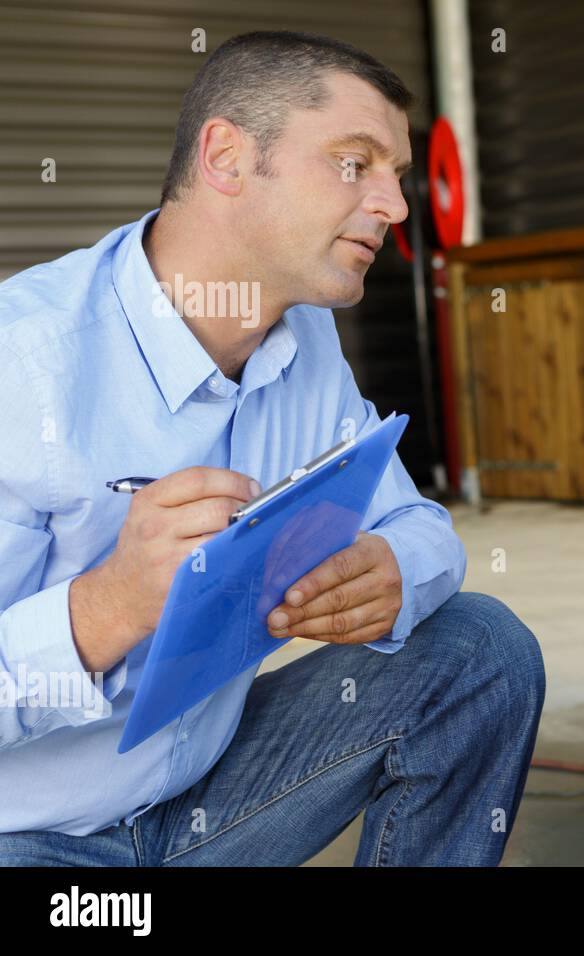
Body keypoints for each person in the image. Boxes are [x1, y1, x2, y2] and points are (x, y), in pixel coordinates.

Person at [0, 31, 544, 866]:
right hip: (29, 835)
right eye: (355, 163)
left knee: (480, 648)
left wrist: (395, 567)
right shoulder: (23, 364)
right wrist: (104, 608)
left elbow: (418, 521)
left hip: (208, 803)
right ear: (226, 157)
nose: (396, 209)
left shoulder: (304, 338)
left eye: (396, 176)